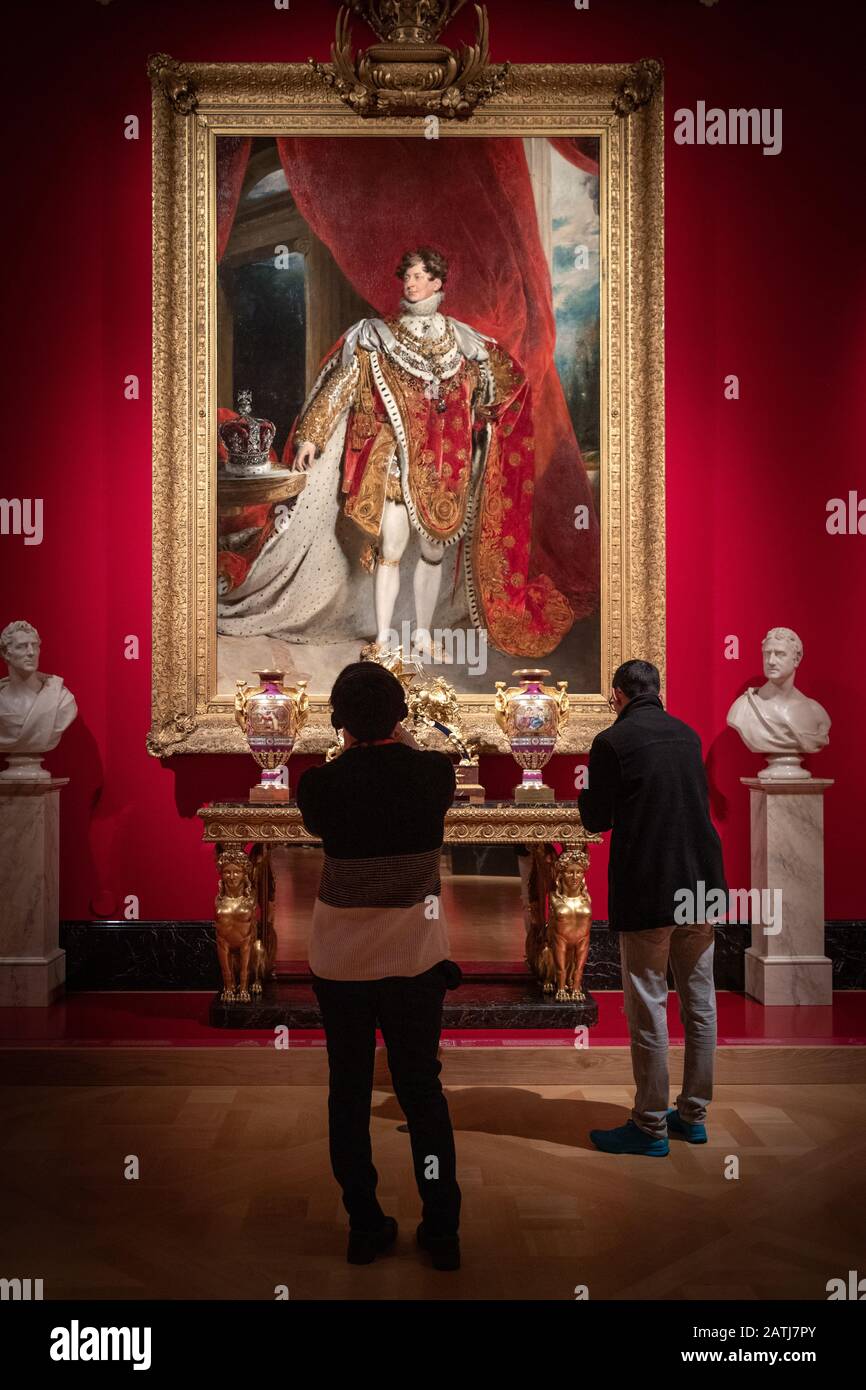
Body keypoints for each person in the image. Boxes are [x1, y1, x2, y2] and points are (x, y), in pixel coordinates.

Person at [217, 247, 574, 663]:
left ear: (438, 283)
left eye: (420, 276)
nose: (410, 283)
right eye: (407, 275)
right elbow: (341, 384)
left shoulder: (464, 342)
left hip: (446, 465)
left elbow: (504, 387)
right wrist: (312, 436)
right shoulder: (375, 336)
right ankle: (384, 639)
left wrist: (486, 420)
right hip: (394, 463)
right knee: (391, 546)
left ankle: (422, 636)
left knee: (433, 552)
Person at [296, 661, 463, 1268]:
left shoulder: (318, 785)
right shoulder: (434, 772)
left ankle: (364, 1224)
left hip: (340, 955)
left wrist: (345, 747)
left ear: (338, 719)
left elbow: (323, 819)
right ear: (402, 714)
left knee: (348, 1089)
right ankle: (441, 1226)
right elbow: (417, 774)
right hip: (415, 954)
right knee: (422, 1091)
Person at [577, 660, 726, 1157]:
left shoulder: (612, 742)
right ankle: (693, 1115)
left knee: (648, 1004)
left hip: (650, 886)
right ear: (656, 692)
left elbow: (597, 817)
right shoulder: (686, 735)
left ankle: (649, 1126)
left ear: (618, 694)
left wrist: (583, 795)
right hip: (702, 882)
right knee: (700, 1002)